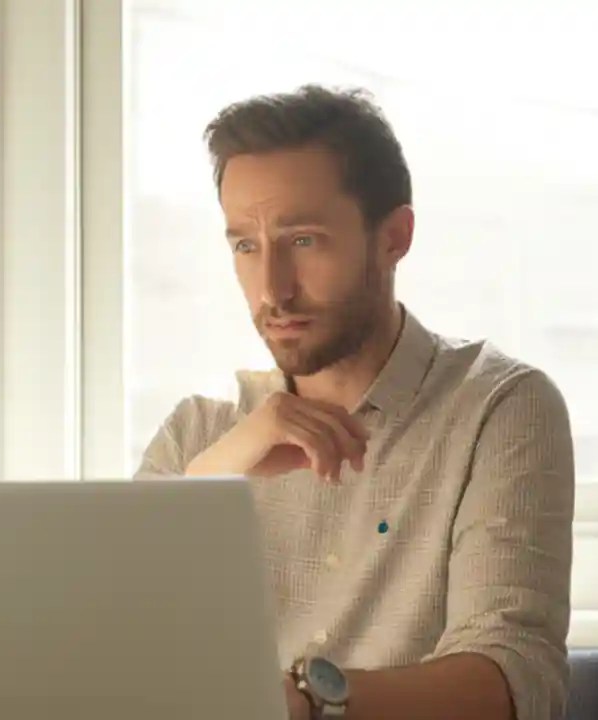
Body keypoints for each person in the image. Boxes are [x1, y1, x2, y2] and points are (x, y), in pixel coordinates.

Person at [135, 84, 574, 720]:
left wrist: (304, 704)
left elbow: (511, 680)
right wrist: (214, 477)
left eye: (304, 241)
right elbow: (110, 637)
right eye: (245, 246)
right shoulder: (198, 433)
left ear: (395, 236)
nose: (271, 290)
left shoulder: (499, 408)